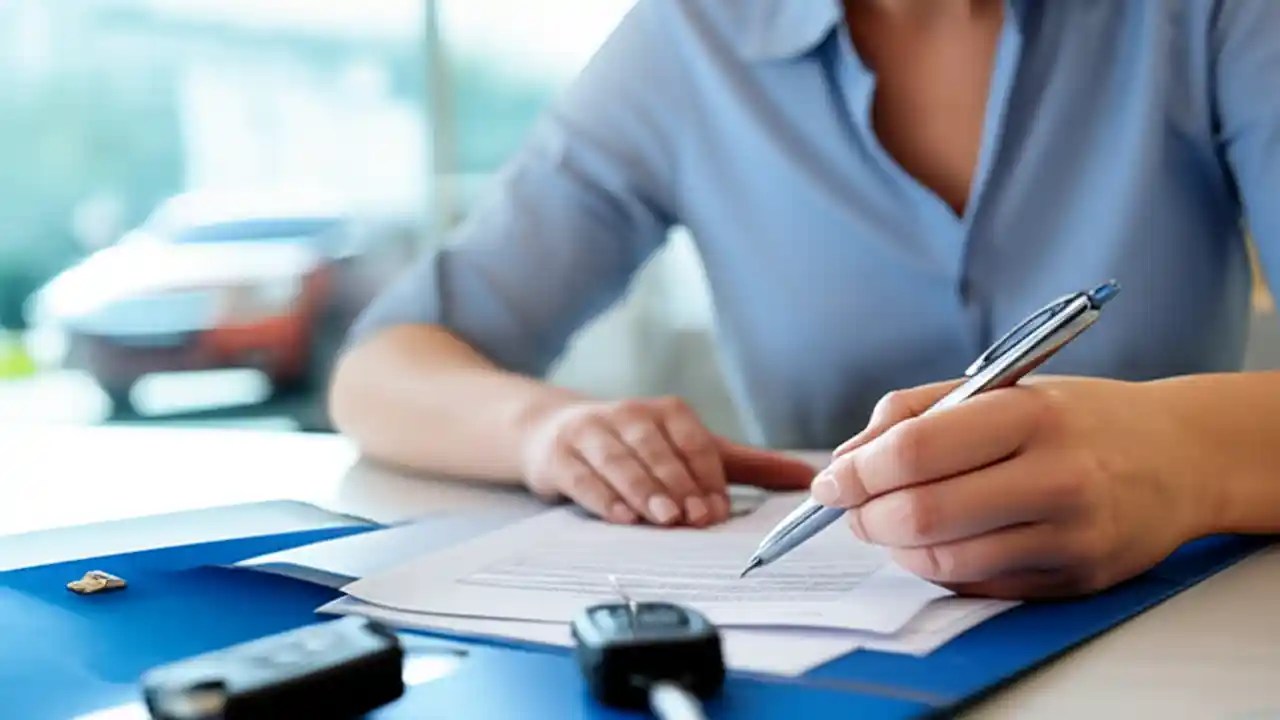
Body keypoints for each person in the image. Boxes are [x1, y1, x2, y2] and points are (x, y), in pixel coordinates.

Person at [330, 0, 1280, 599]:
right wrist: (547, 431)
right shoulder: (688, 40)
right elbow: (382, 370)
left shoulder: (1212, 17)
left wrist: (1183, 456)